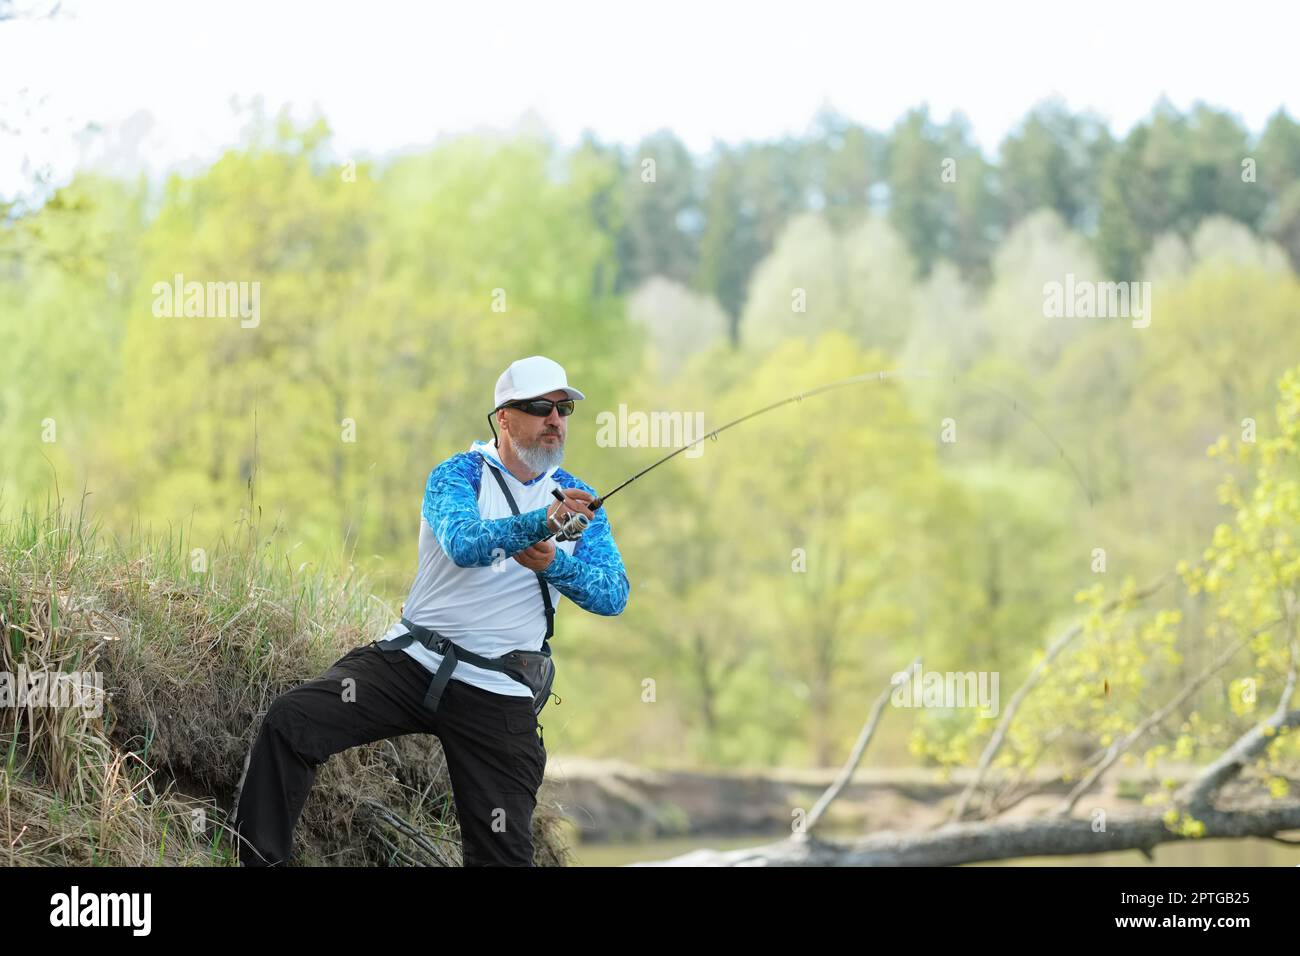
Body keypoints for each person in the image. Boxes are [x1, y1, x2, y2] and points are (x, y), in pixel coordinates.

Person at [231, 355, 630, 866]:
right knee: (292, 721)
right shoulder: (457, 475)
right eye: (539, 407)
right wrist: (539, 523)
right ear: (503, 418)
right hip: (411, 662)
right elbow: (465, 543)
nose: (556, 420)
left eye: (564, 408)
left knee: (502, 854)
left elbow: (614, 595)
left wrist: (555, 564)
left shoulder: (582, 503)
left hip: (499, 692)